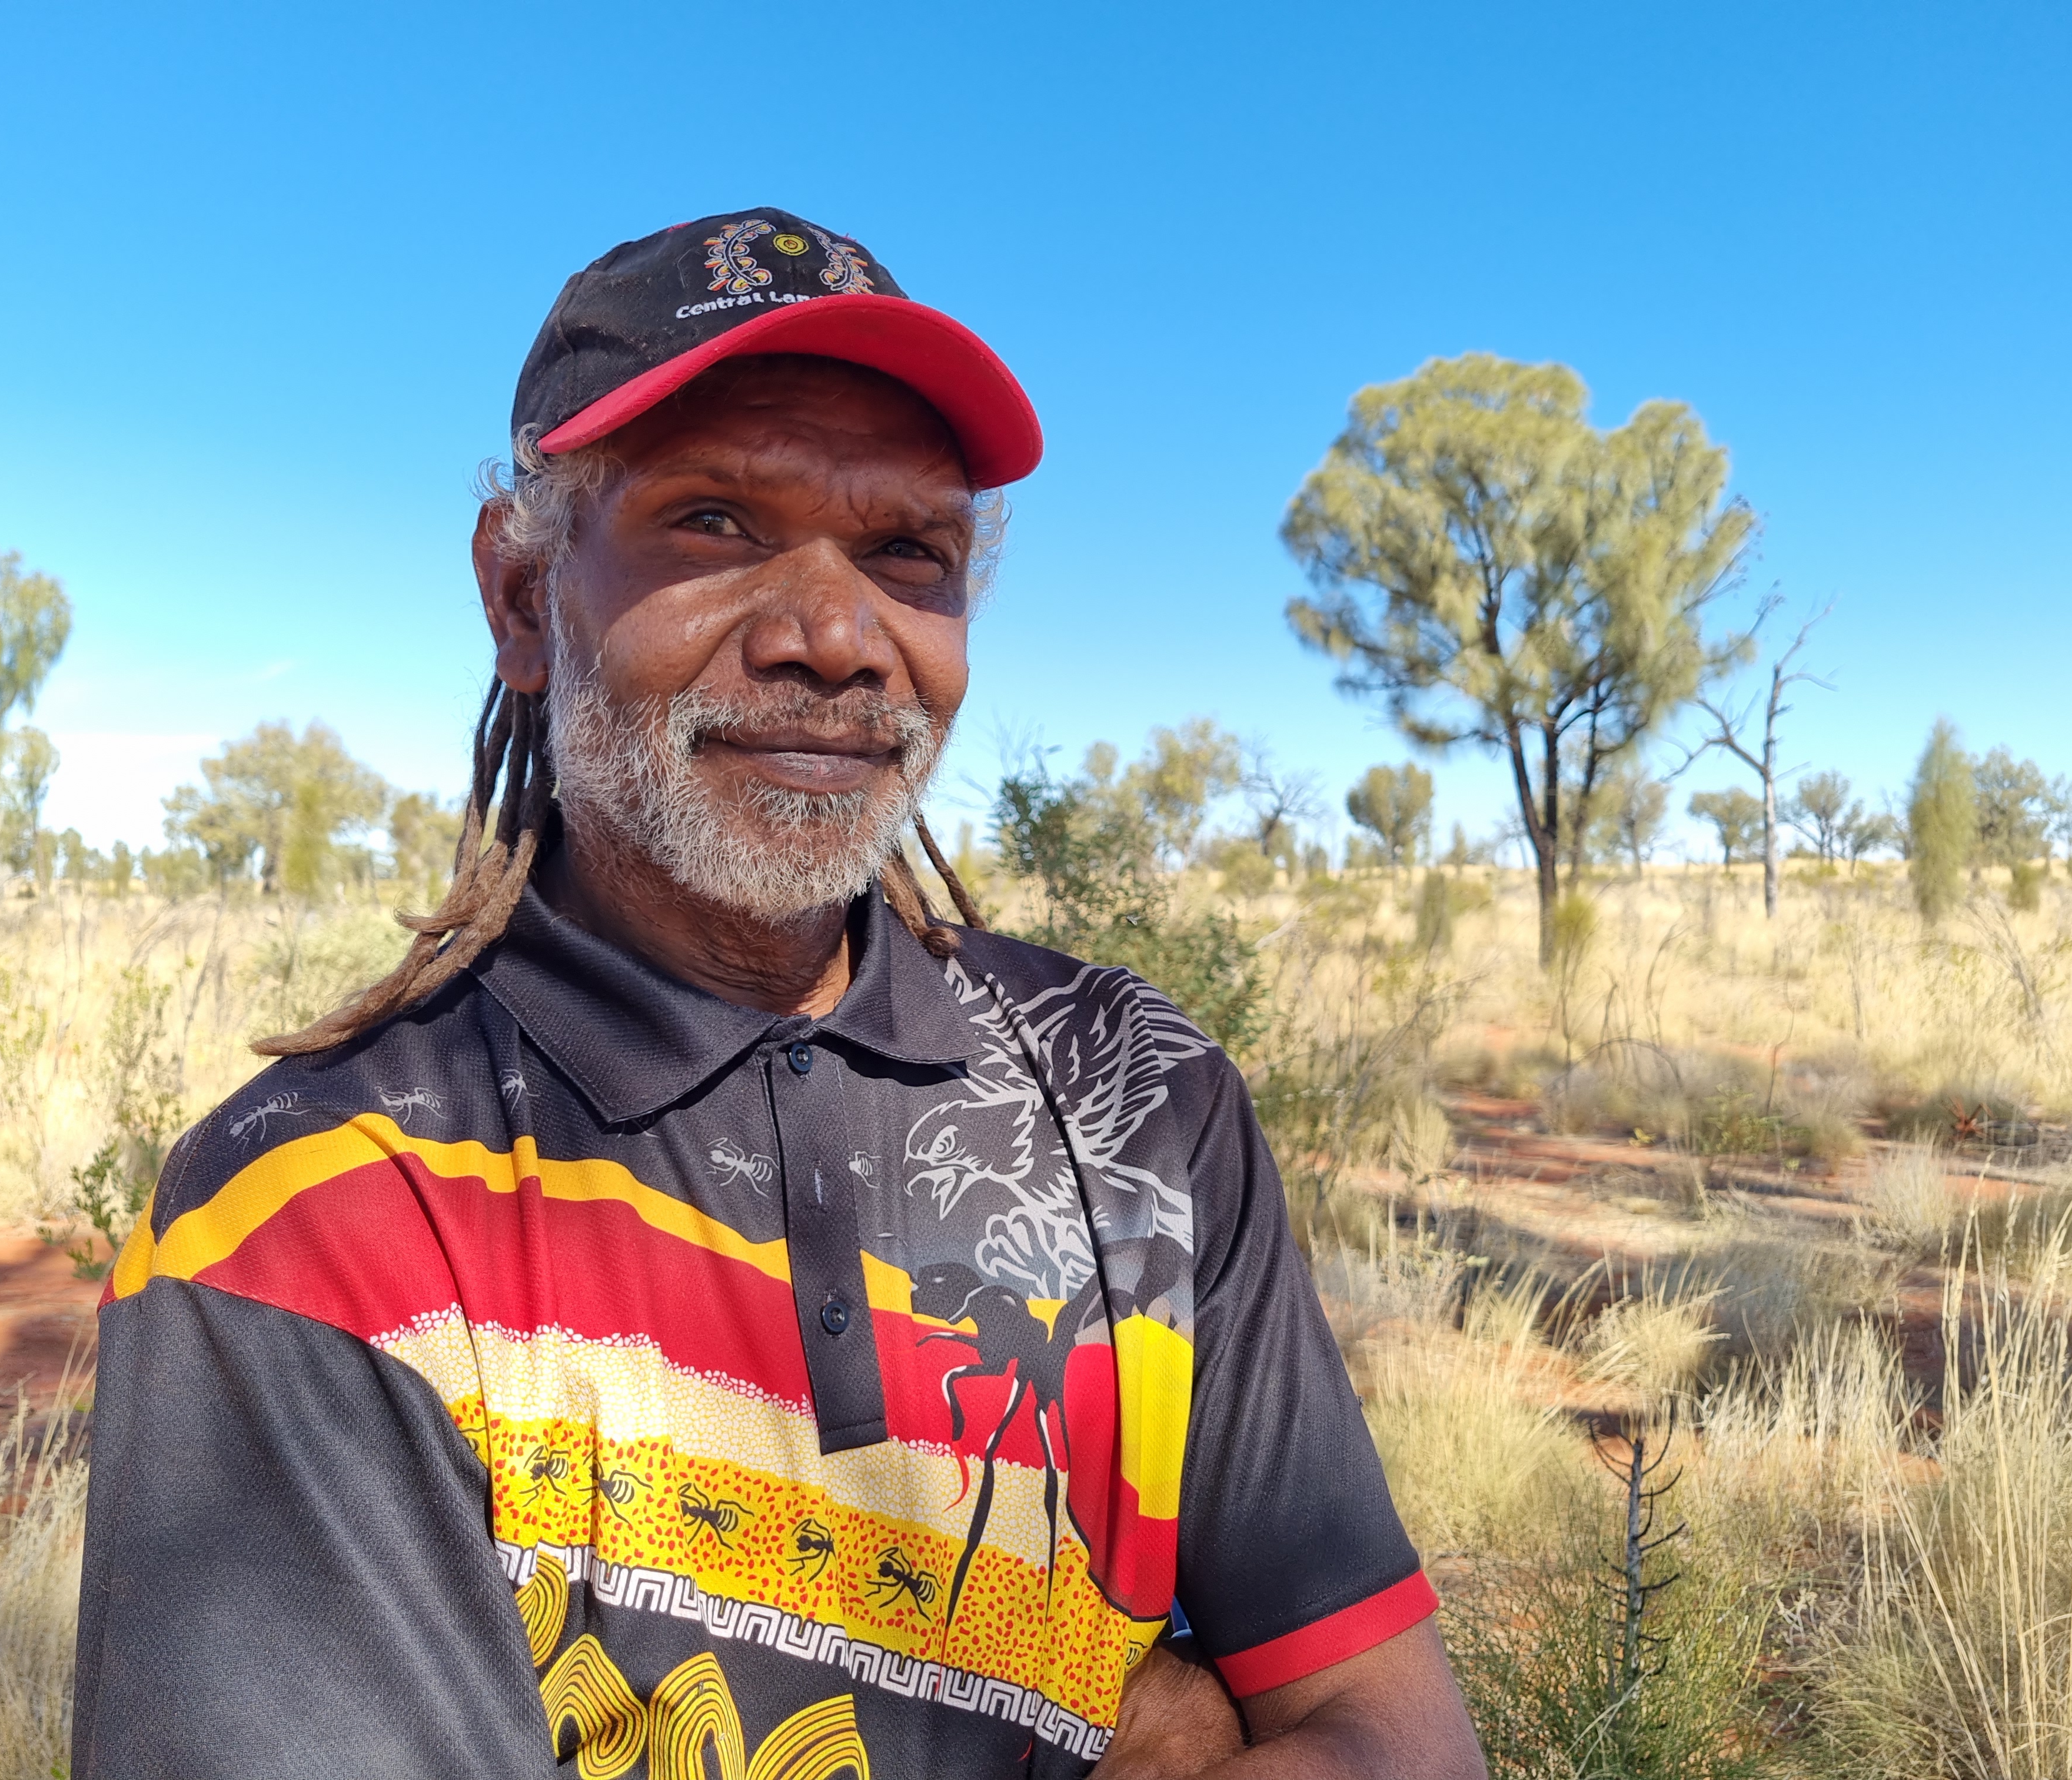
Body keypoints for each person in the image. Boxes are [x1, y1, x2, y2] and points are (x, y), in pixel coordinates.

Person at [71, 208, 1485, 1780]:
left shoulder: (1141, 1098)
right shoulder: (320, 1217)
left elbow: (1396, 1741)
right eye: (716, 524)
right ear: (522, 595)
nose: (834, 639)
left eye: (909, 553)